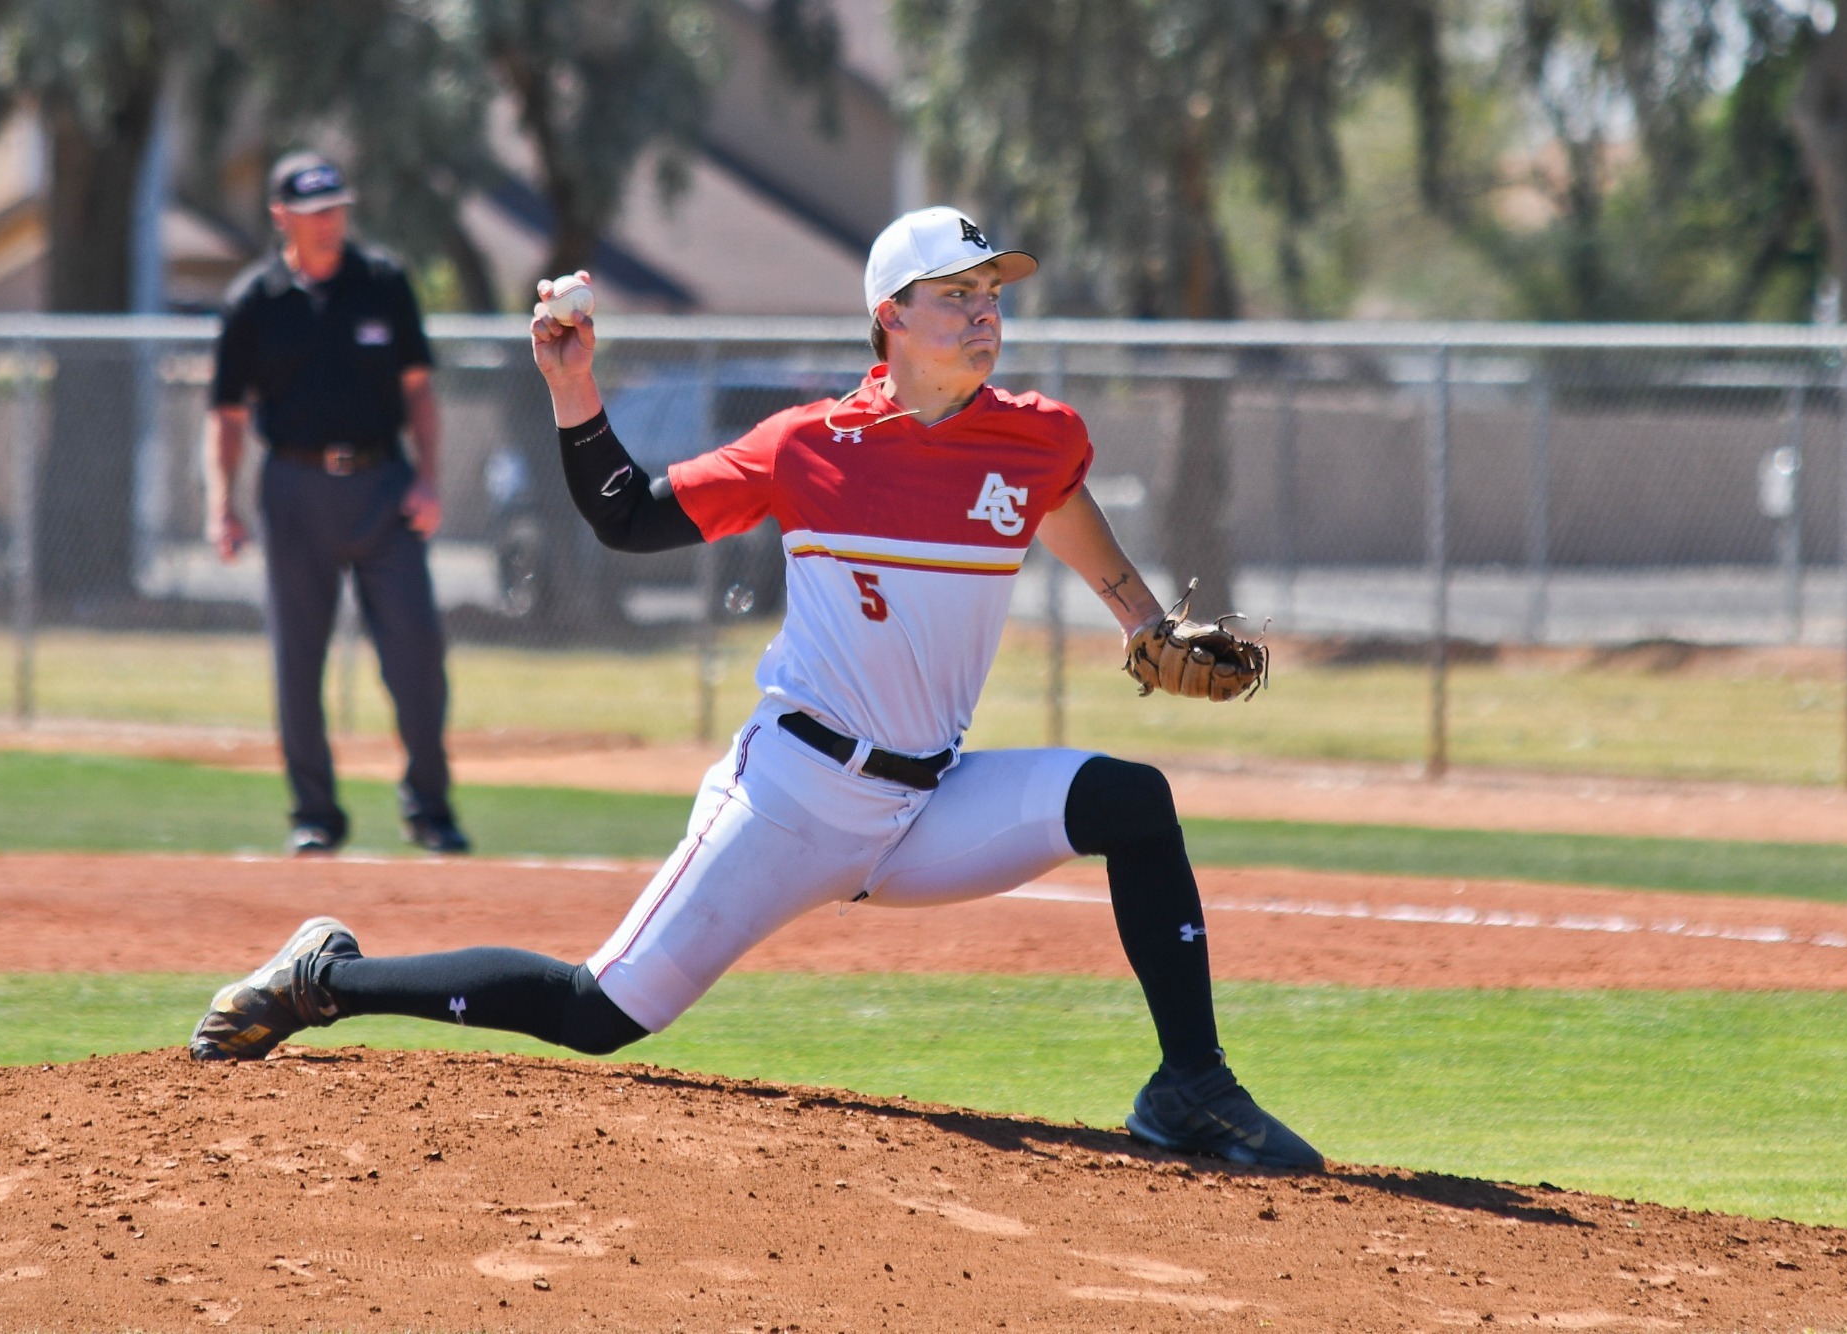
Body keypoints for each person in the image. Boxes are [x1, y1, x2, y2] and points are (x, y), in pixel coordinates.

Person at [190, 206, 1321, 1170]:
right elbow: (626, 515)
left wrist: (1142, 623)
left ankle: (1190, 1086)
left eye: (991, 293)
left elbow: (1068, 520)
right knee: (599, 1011)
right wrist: (574, 387)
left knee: (1131, 800)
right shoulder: (809, 447)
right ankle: (326, 978)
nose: (984, 313)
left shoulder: (1035, 439)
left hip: (929, 805)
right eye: (955, 295)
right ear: (889, 315)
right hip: (793, 794)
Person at [205, 151, 469, 857]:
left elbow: (419, 389)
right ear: (281, 216)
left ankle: (430, 809)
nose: (329, 222)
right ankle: (314, 816)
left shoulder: (382, 283)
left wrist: (429, 478)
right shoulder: (255, 300)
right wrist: (221, 504)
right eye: (314, 211)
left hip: (384, 487)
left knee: (416, 654)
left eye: (337, 209)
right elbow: (226, 413)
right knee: (298, 662)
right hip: (294, 491)